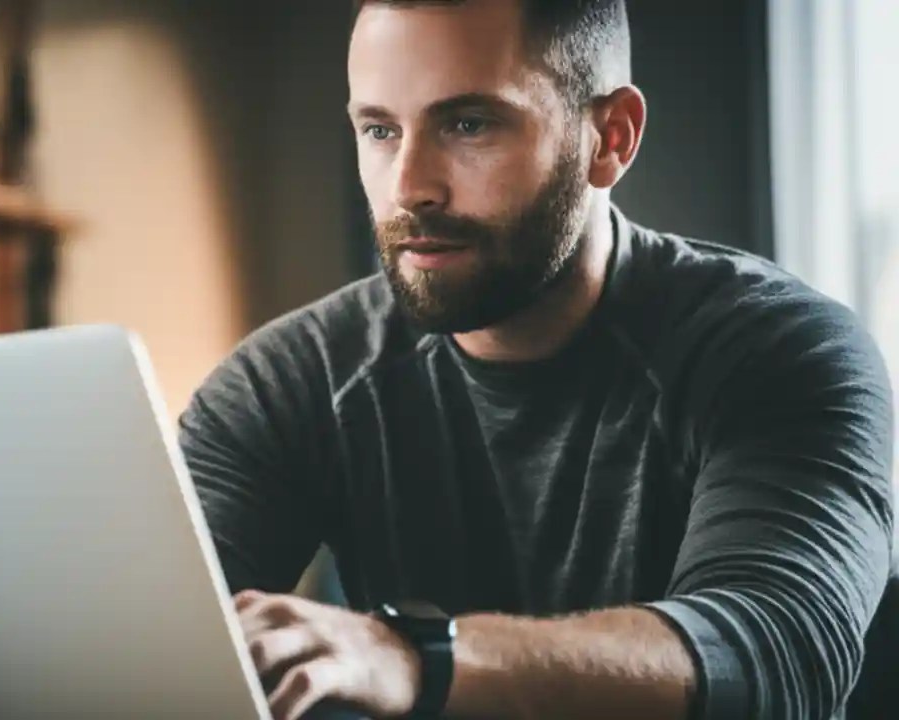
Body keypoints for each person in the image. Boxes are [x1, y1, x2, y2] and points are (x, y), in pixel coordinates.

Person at [177, 0, 895, 719]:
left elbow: (773, 656)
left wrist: (414, 656)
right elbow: (149, 640)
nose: (408, 185)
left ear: (609, 137)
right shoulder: (288, 382)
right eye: (380, 129)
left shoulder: (781, 350)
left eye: (468, 125)